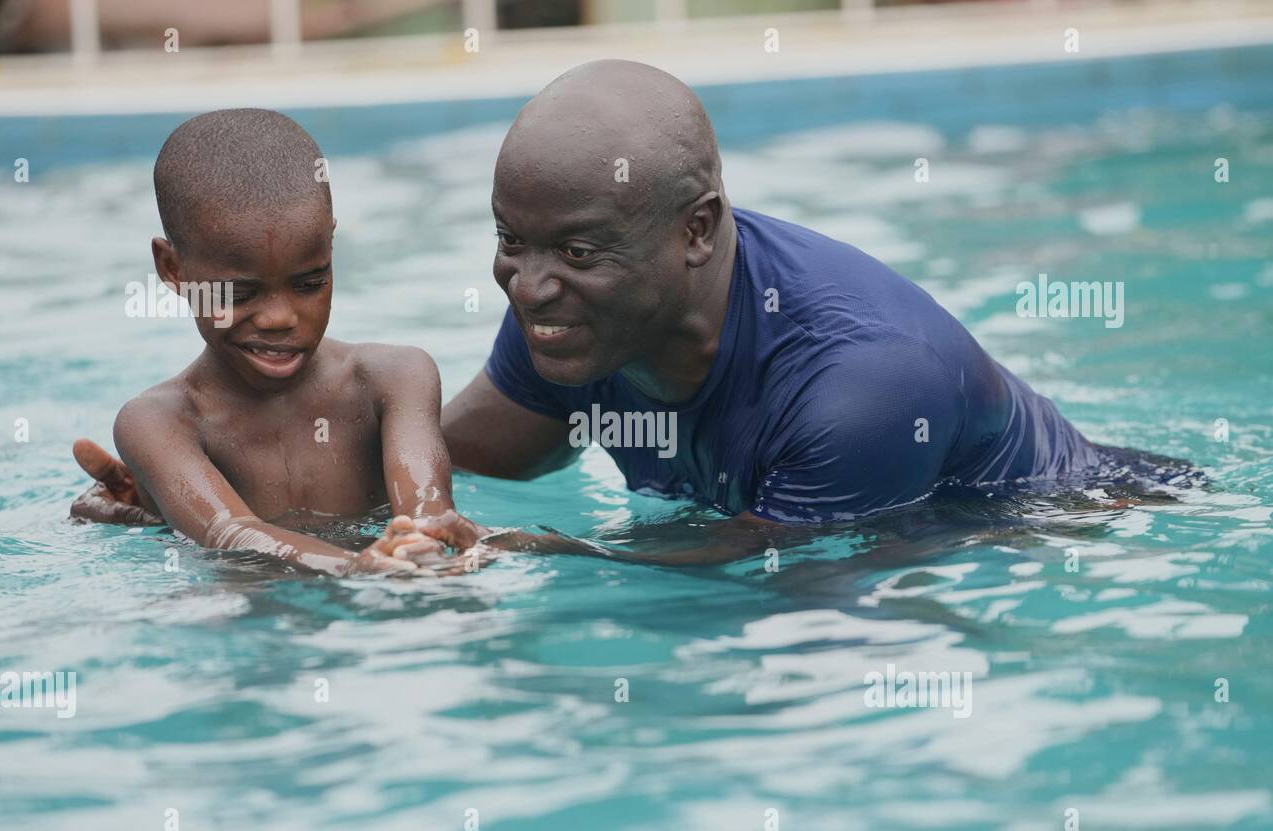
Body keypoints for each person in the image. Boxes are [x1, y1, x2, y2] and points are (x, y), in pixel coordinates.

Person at [74, 62, 1116, 568]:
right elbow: (475, 447)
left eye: (572, 251)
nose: (526, 285)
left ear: (697, 230)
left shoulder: (864, 385)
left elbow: (782, 571)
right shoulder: (577, 311)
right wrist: (206, 488)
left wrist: (534, 550)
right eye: (510, 242)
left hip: (1046, 534)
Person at [73, 108, 457, 576]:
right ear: (173, 270)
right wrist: (358, 569)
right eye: (239, 293)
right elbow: (230, 535)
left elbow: (427, 513)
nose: (281, 318)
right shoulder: (159, 423)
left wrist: (425, 542)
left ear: (330, 248)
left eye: (310, 282)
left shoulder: (393, 379)